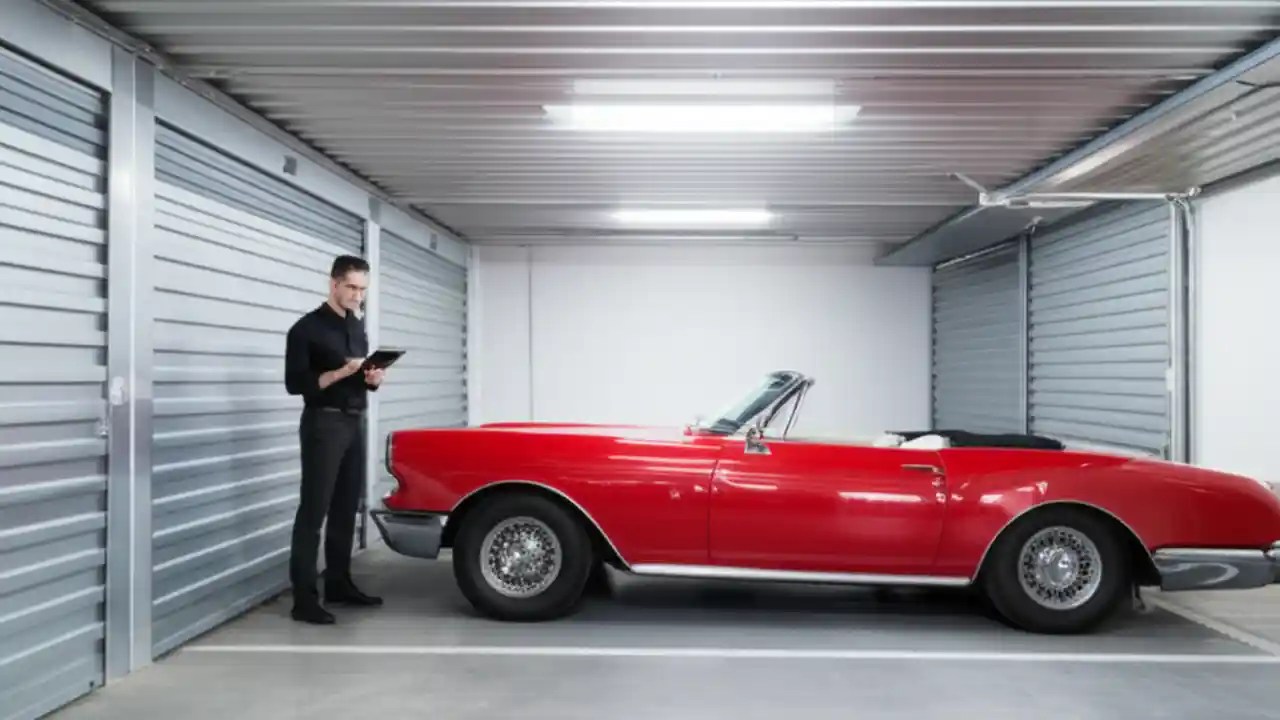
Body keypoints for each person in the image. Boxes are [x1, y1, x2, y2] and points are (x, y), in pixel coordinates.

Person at [284, 254, 387, 624]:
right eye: (353, 288)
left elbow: (359, 380)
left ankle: (339, 584)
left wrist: (371, 380)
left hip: (354, 423)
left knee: (346, 508)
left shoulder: (357, 327)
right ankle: (304, 600)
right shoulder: (305, 330)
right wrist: (341, 371)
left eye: (363, 289)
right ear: (334, 284)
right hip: (322, 425)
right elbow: (295, 384)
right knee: (313, 512)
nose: (358, 296)